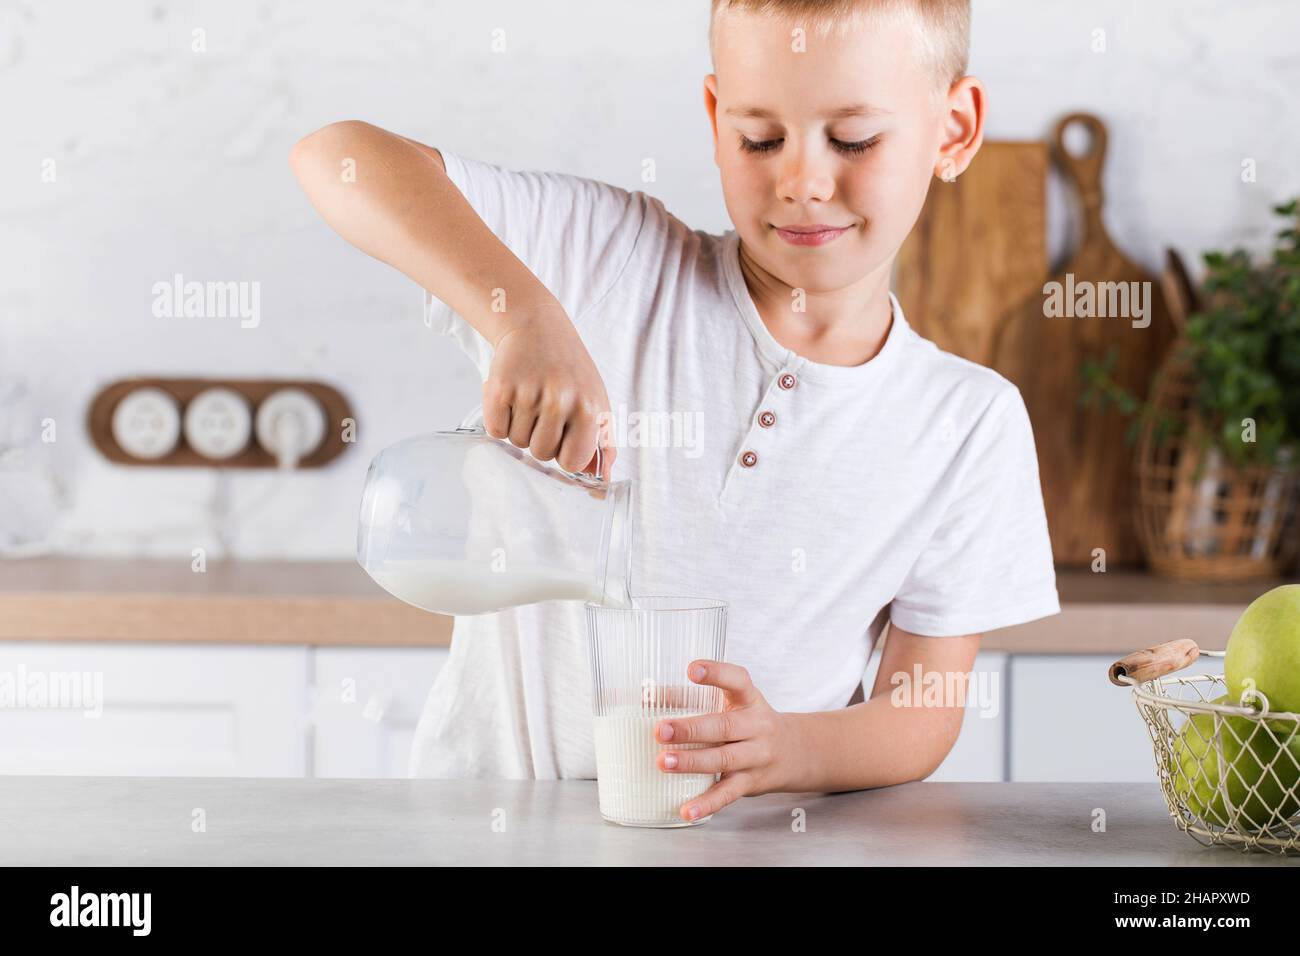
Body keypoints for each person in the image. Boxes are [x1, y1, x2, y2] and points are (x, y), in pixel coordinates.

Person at [290, 0, 1058, 823]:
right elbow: (335, 156)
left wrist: (789, 749)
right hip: (491, 835)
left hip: (748, 845)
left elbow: (922, 710)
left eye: (854, 139)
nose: (801, 180)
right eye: (759, 138)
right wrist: (522, 314)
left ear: (953, 129)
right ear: (715, 115)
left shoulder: (967, 424)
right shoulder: (609, 261)